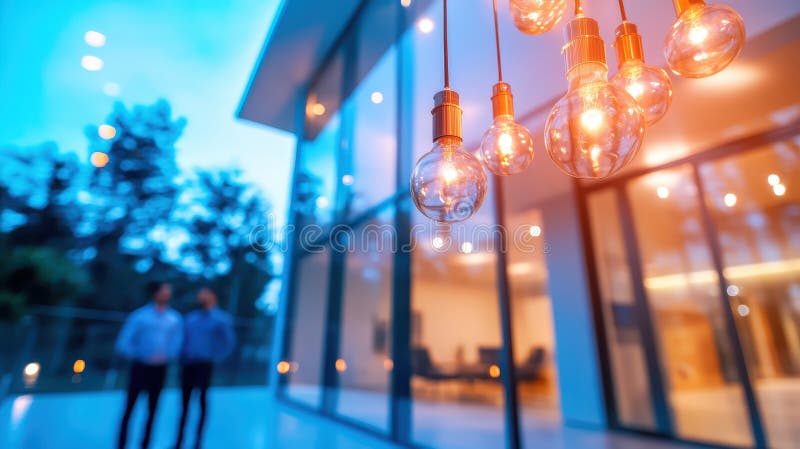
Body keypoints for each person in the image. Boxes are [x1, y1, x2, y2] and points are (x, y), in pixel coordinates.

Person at [116, 281, 183, 449]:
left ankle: (145, 444)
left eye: (169, 292)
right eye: (164, 291)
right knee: (129, 409)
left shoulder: (174, 319)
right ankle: (121, 444)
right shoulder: (140, 316)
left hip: (160, 369)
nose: (167, 294)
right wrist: (140, 355)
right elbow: (124, 342)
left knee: (153, 410)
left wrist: (167, 356)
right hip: (140, 367)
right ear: (156, 293)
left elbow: (177, 342)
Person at [174, 287, 236, 449]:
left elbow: (228, 343)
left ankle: (197, 442)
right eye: (199, 294)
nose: (200, 296)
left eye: (204, 294)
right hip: (188, 364)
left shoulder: (221, 319)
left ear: (212, 296)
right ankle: (179, 441)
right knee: (184, 404)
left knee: (201, 403)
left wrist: (216, 357)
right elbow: (183, 340)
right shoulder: (191, 318)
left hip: (204, 365)